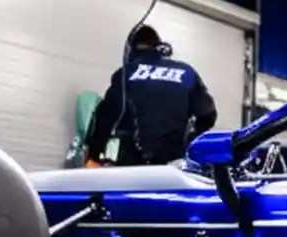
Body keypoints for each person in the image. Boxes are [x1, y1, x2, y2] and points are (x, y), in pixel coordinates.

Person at [84, 25, 218, 166]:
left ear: (131, 50)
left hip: (133, 163)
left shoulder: (126, 73)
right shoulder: (186, 73)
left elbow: (106, 117)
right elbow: (208, 116)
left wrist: (94, 153)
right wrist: (189, 142)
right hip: (174, 164)